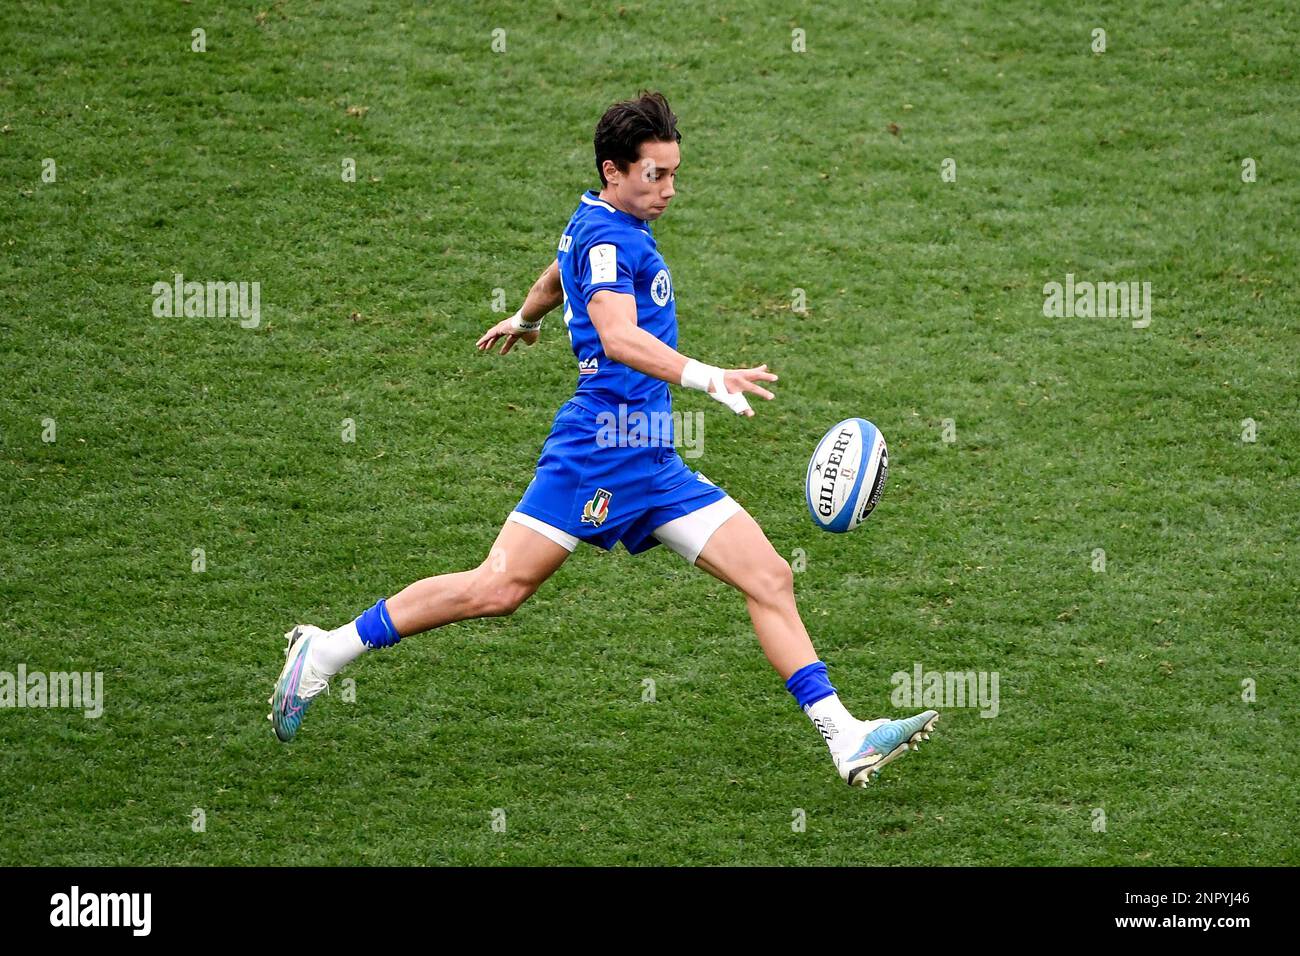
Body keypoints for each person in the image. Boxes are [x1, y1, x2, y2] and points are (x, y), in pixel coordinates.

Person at [268, 91, 938, 787]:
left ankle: (845, 737)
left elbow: (561, 270)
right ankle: (325, 653)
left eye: (675, 174)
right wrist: (708, 377)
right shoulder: (616, 236)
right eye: (656, 175)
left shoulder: (597, 216)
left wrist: (526, 317)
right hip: (598, 450)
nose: (670, 190)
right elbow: (618, 337)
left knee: (769, 576)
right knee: (497, 589)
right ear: (615, 170)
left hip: (649, 456)